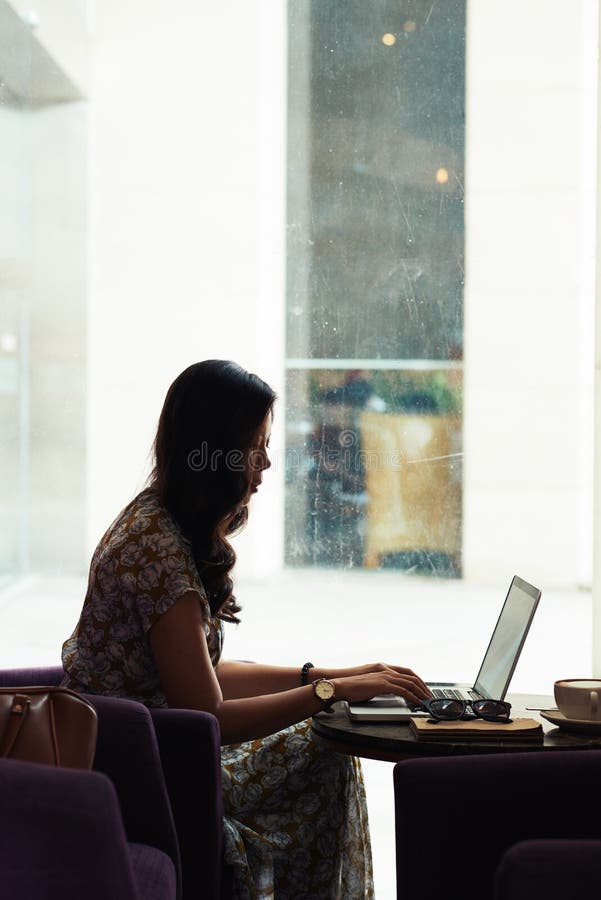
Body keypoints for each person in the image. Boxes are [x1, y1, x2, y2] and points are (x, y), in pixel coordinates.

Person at [62, 359, 431, 900]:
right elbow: (207, 715)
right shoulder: (159, 554)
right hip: (149, 772)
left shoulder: (158, 522)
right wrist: (330, 693)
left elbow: (203, 679)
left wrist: (332, 675)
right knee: (324, 752)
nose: (266, 462)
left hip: (153, 748)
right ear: (216, 454)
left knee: (321, 735)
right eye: (255, 445)